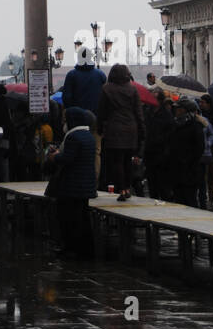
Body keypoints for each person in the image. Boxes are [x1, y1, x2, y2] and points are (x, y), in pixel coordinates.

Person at [46, 107, 97, 258]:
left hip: (73, 185)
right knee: (82, 218)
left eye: (65, 119)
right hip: (86, 184)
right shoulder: (88, 135)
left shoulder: (73, 137)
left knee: (69, 218)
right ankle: (86, 249)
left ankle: (71, 248)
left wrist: (54, 156)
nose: (63, 122)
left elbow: (67, 159)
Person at [96, 64, 143, 201]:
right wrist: (142, 131)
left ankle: (121, 189)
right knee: (128, 161)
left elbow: (101, 111)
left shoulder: (106, 89)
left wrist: (100, 128)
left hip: (114, 129)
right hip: (131, 129)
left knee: (117, 161)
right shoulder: (133, 90)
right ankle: (127, 188)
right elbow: (139, 113)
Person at [62, 46, 107, 183]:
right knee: (96, 152)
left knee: (74, 150)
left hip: (77, 122)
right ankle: (94, 181)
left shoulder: (72, 75)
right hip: (96, 119)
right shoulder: (100, 75)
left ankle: (77, 180)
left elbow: (67, 98)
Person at [166, 98, 205, 207]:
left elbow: (199, 148)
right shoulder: (175, 124)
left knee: (190, 200)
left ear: (185, 110)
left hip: (189, 170)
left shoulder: (195, 125)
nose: (176, 111)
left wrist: (188, 161)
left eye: (178, 108)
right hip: (176, 169)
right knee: (178, 201)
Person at [143, 89, 175, 201]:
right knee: (152, 184)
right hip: (150, 152)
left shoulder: (166, 115)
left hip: (162, 154)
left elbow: (170, 134)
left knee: (163, 185)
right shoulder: (148, 112)